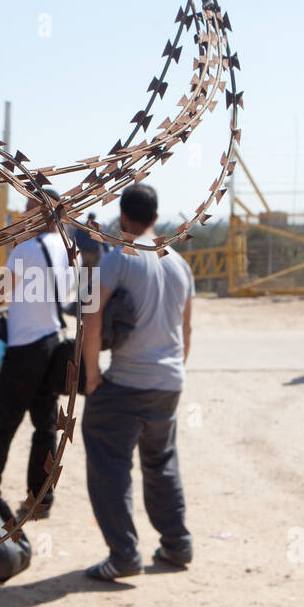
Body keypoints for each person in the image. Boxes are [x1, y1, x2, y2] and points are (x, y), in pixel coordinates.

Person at [80, 184, 194, 581]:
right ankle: (177, 545)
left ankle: (124, 555)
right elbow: (187, 328)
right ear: (156, 217)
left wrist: (92, 373)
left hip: (127, 382)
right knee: (161, 462)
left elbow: (91, 315)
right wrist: (171, 372)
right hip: (168, 382)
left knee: (109, 462)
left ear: (124, 218)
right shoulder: (179, 263)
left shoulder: (119, 258)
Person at [0, 188, 74, 519]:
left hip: (25, 348)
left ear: (44, 213)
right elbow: (82, 298)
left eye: (29, 209)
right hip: (54, 343)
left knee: (3, 426)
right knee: (44, 426)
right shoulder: (71, 248)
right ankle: (40, 499)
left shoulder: (24, 250)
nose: (24, 215)